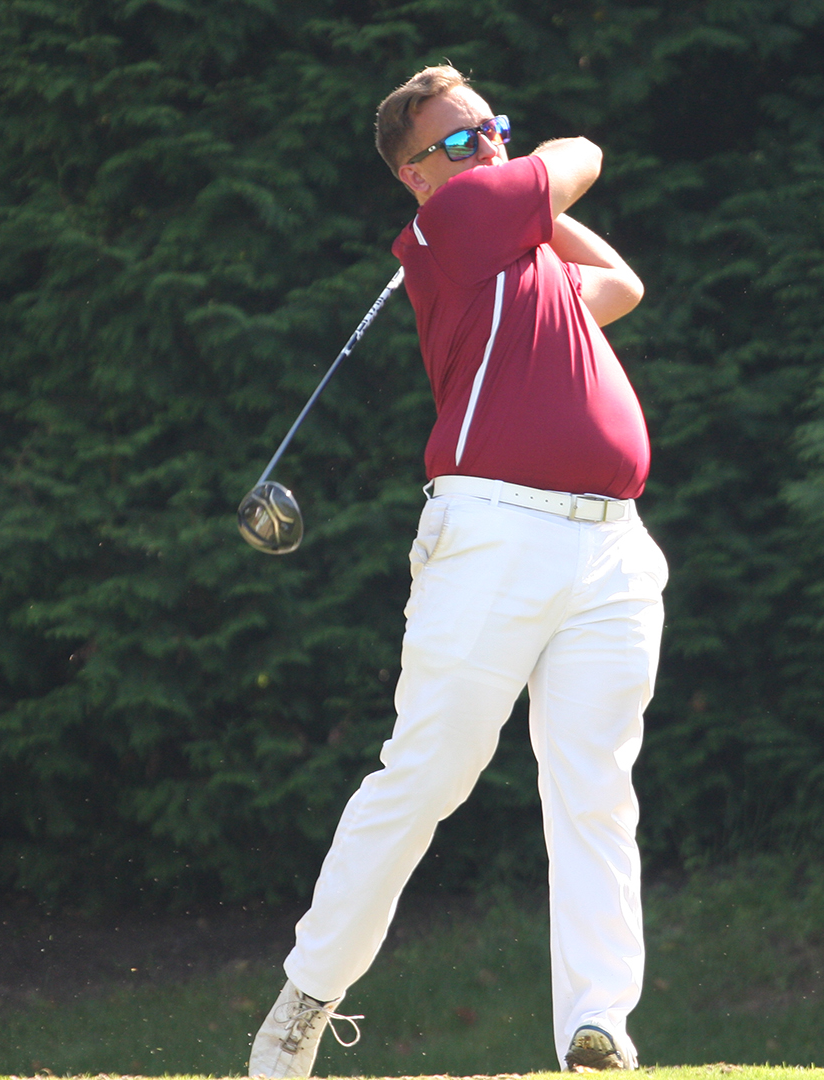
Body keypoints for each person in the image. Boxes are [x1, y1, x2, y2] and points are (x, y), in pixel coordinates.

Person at [248, 64, 666, 1078]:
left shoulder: (513, 258)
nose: (489, 148)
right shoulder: (456, 225)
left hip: (611, 543)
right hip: (495, 536)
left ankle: (594, 1029)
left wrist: (533, 216)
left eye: (494, 129)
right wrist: (523, 175)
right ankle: (305, 999)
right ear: (415, 177)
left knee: (596, 791)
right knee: (428, 774)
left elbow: (621, 285)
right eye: (462, 141)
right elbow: (583, 159)